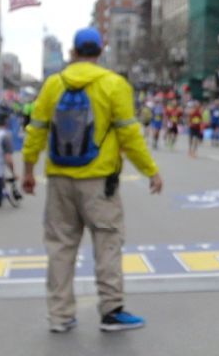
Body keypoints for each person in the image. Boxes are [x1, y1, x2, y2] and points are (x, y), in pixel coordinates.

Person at [22, 27, 164, 333]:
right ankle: (111, 311)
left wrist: (28, 170)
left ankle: (59, 315)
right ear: (100, 51)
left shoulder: (52, 85)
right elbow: (129, 134)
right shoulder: (113, 84)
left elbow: (35, 130)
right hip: (100, 183)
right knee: (107, 243)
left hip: (59, 179)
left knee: (60, 247)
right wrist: (150, 170)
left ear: (73, 51)